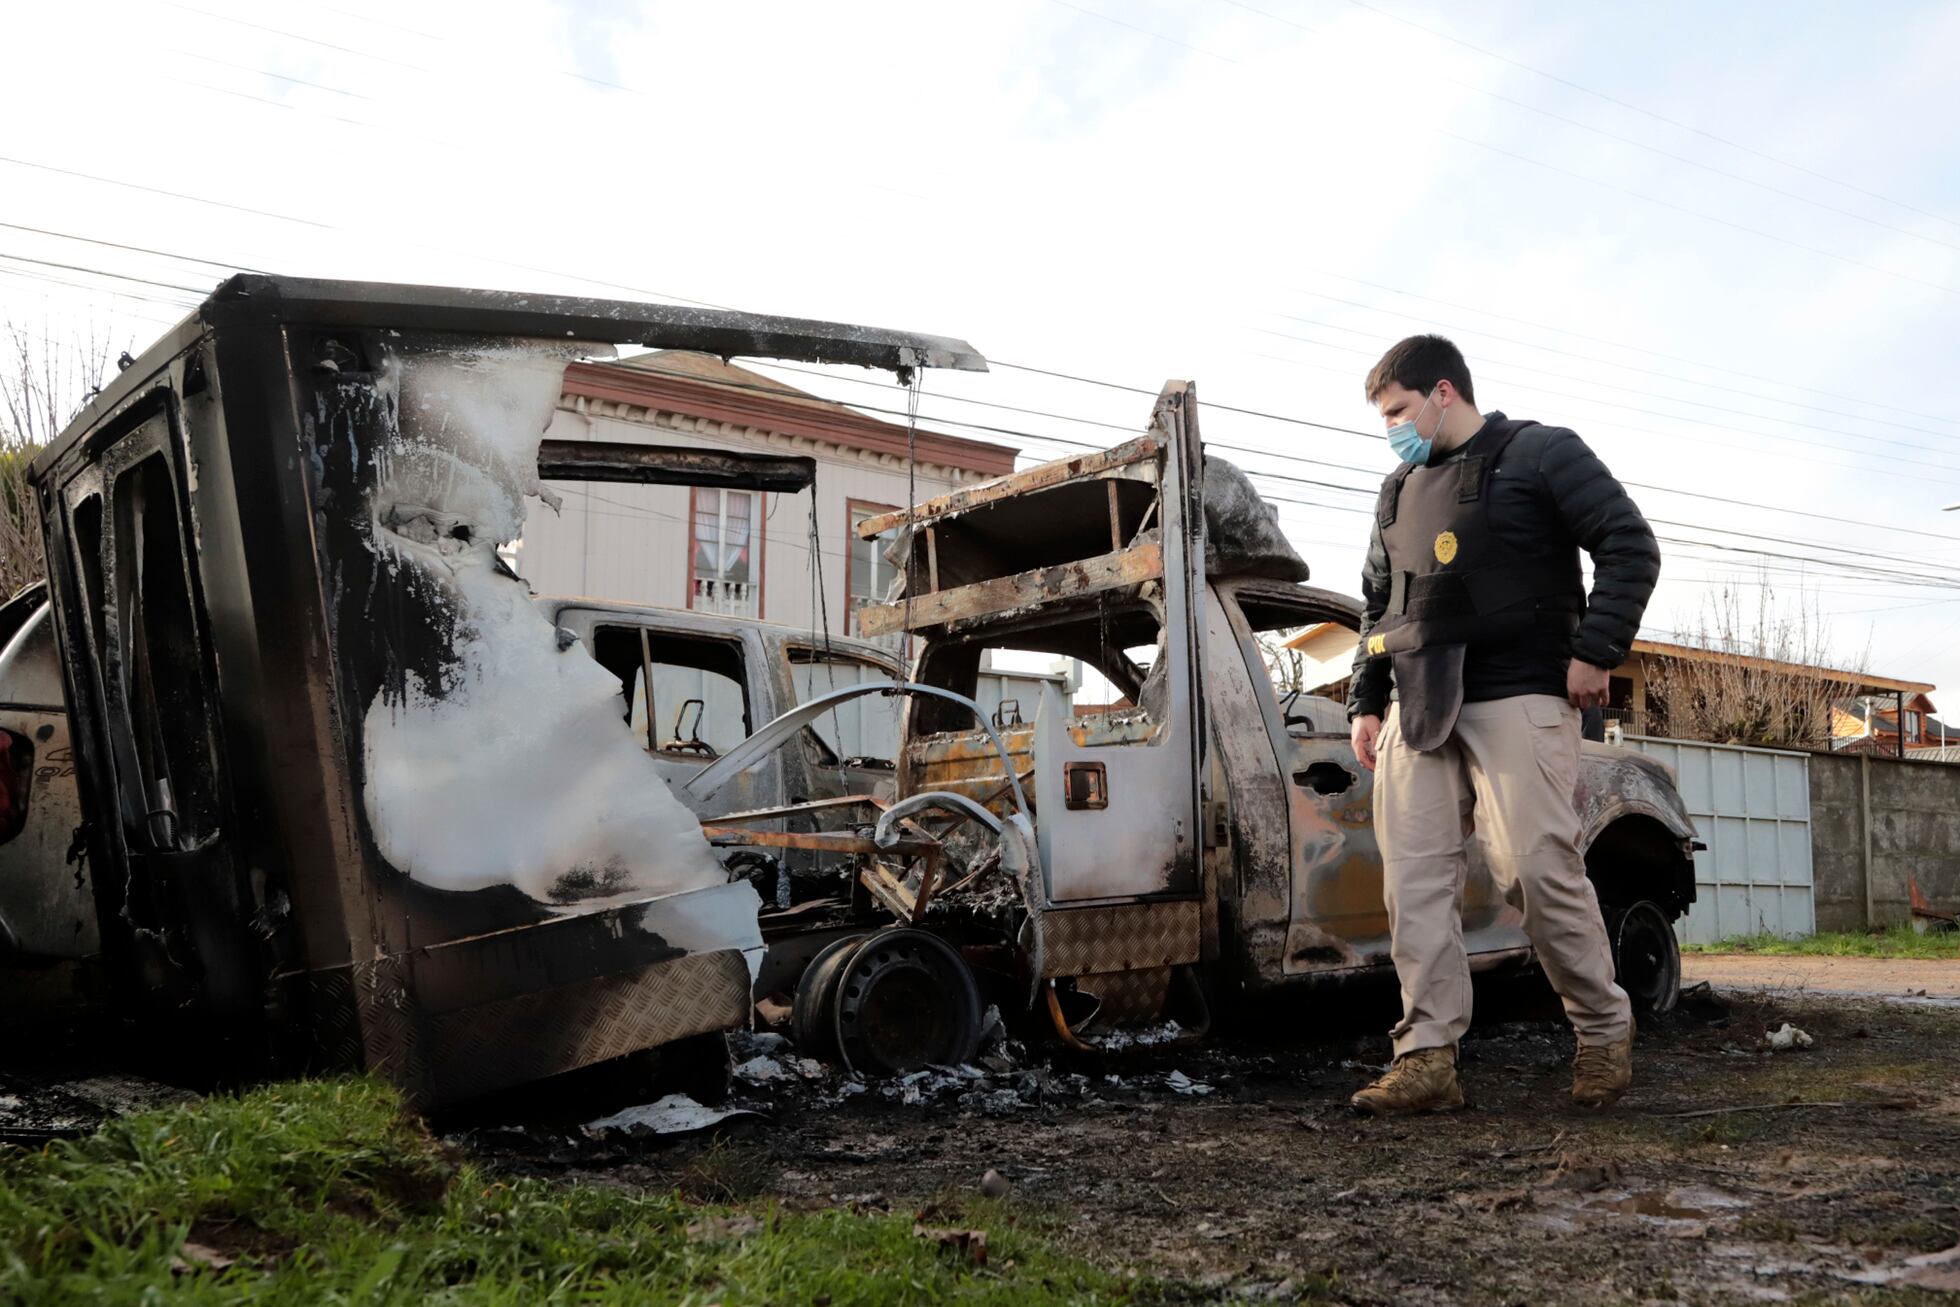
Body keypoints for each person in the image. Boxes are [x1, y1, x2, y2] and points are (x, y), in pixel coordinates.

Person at [1345, 335, 1660, 1116]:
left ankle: (1602, 1026)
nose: (1392, 428)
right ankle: (1426, 1058)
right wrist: (1364, 698)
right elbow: (1380, 605)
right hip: (1418, 704)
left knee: (1533, 868)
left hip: (1517, 690)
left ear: (1443, 391)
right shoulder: (1395, 491)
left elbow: (1630, 544)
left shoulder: (1541, 453)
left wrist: (1598, 651)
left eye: (1398, 410)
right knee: (1414, 885)